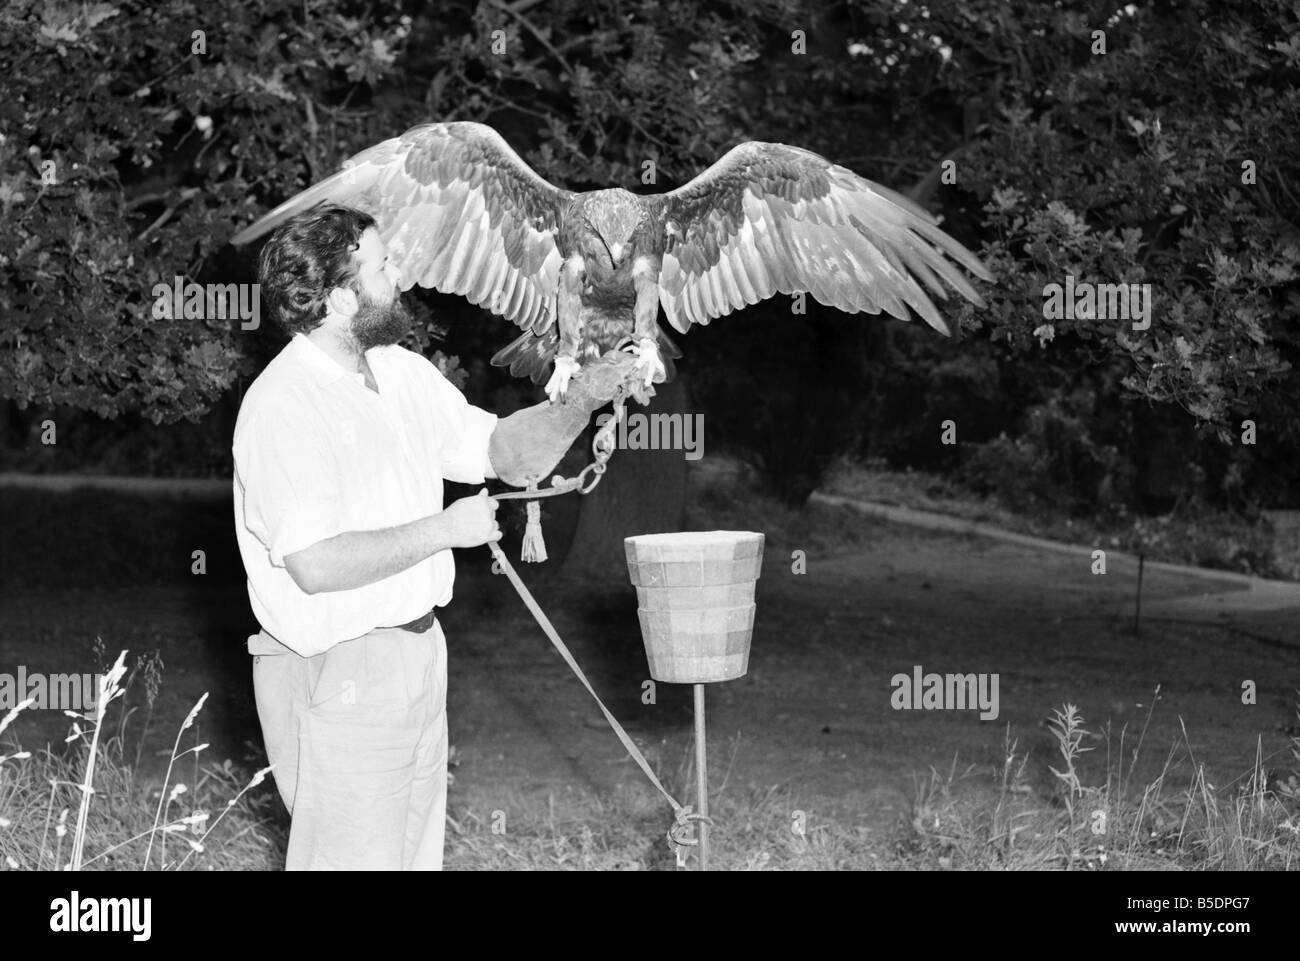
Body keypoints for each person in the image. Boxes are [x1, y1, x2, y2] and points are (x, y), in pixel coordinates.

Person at [232, 202, 632, 870]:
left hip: (419, 653)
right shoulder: (283, 406)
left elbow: (502, 453)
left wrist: (579, 400)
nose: (400, 275)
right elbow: (315, 564)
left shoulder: (400, 372)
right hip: (338, 671)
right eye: (383, 266)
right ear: (336, 299)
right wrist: (445, 529)